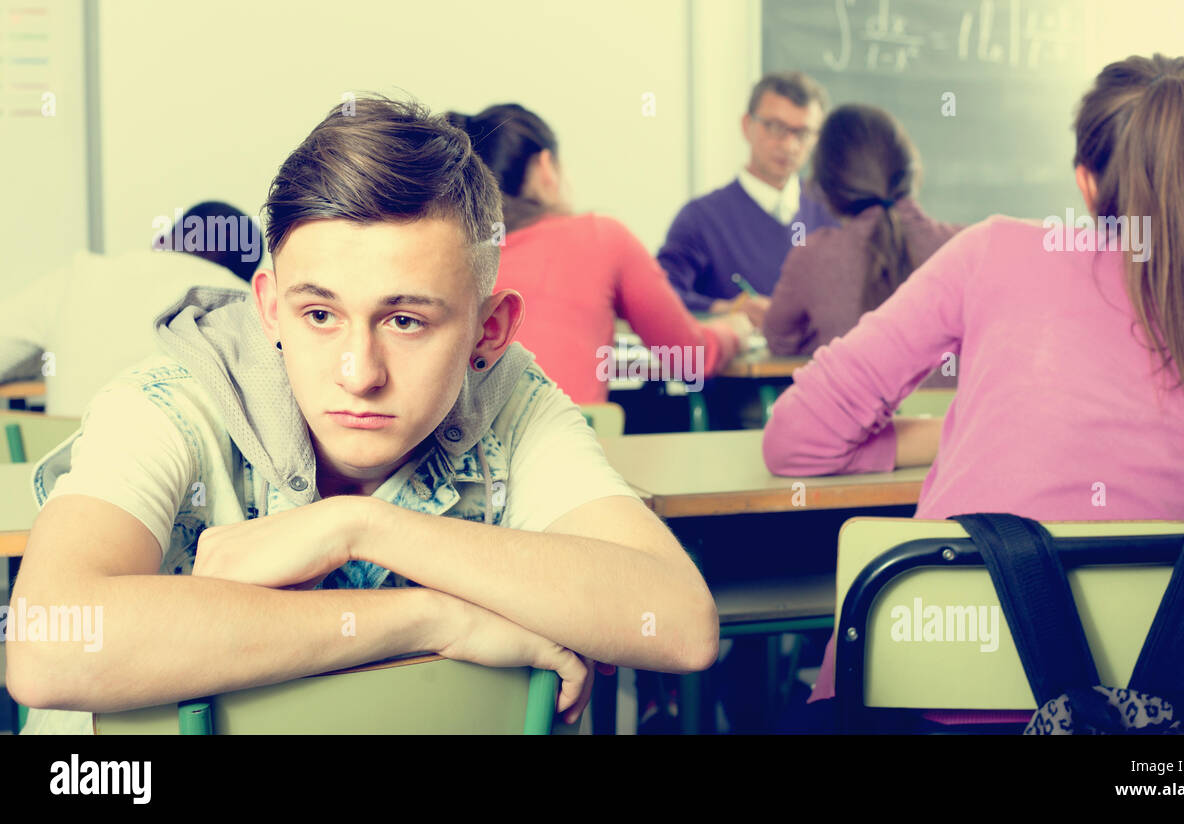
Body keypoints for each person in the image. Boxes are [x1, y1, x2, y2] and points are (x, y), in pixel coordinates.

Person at [9, 96, 718, 734]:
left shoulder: (513, 399)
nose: (359, 373)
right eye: (319, 314)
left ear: (488, 332)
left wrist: (358, 527)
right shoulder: (170, 400)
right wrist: (429, 618)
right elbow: (45, 645)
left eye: (406, 321)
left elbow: (680, 624)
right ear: (268, 308)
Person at [762, 55, 1184, 728]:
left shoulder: (994, 253)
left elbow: (793, 440)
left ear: (1086, 182)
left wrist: (918, 439)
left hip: (922, 706)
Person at [448, 104, 750, 405]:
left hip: (462, 448)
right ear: (545, 168)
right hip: (572, 443)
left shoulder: (453, 253)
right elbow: (688, 359)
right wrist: (735, 329)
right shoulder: (601, 237)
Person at [0, 202, 259, 417]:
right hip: (181, 471)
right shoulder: (240, 298)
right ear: (247, 275)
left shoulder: (80, 275)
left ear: (161, 241)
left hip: (61, 466)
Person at [763, 105, 963, 361]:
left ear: (826, 185)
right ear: (912, 170)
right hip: (955, 403)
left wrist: (831, 331)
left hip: (853, 401)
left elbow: (781, 341)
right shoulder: (966, 246)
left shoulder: (813, 257)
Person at [657, 71, 839, 326]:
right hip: (739, 364)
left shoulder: (834, 213)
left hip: (824, 362)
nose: (789, 145)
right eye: (775, 128)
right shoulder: (701, 218)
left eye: (803, 133)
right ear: (747, 126)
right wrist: (728, 310)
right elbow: (659, 297)